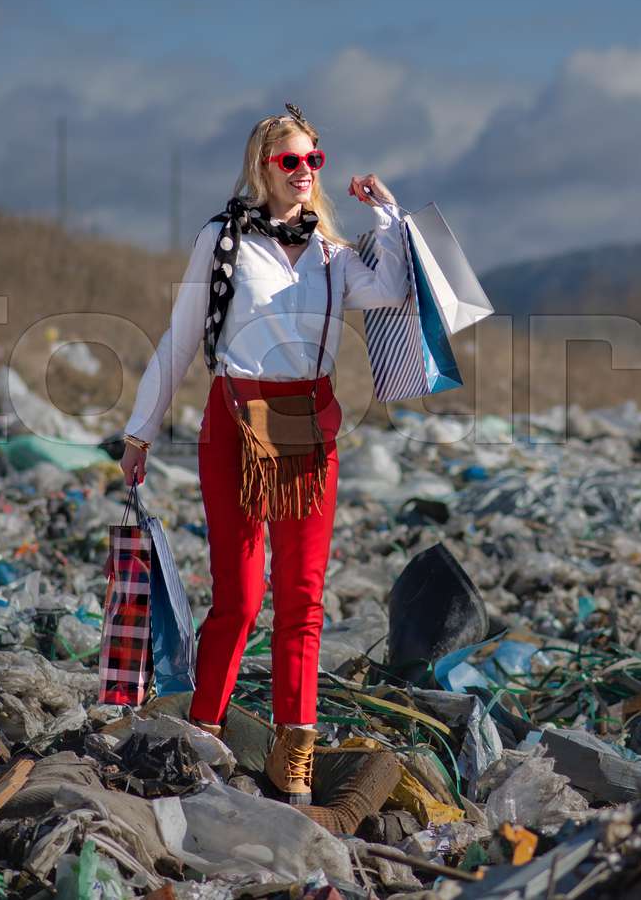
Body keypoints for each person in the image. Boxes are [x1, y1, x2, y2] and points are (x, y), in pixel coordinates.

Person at [117, 103, 412, 806]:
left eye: (315, 159)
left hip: (310, 428)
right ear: (263, 167)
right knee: (241, 597)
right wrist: (140, 432)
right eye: (291, 161)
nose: (306, 172)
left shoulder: (336, 258)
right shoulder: (221, 240)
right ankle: (205, 737)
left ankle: (294, 754)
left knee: (303, 598)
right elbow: (180, 335)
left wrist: (387, 217)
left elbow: (396, 289)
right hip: (233, 426)